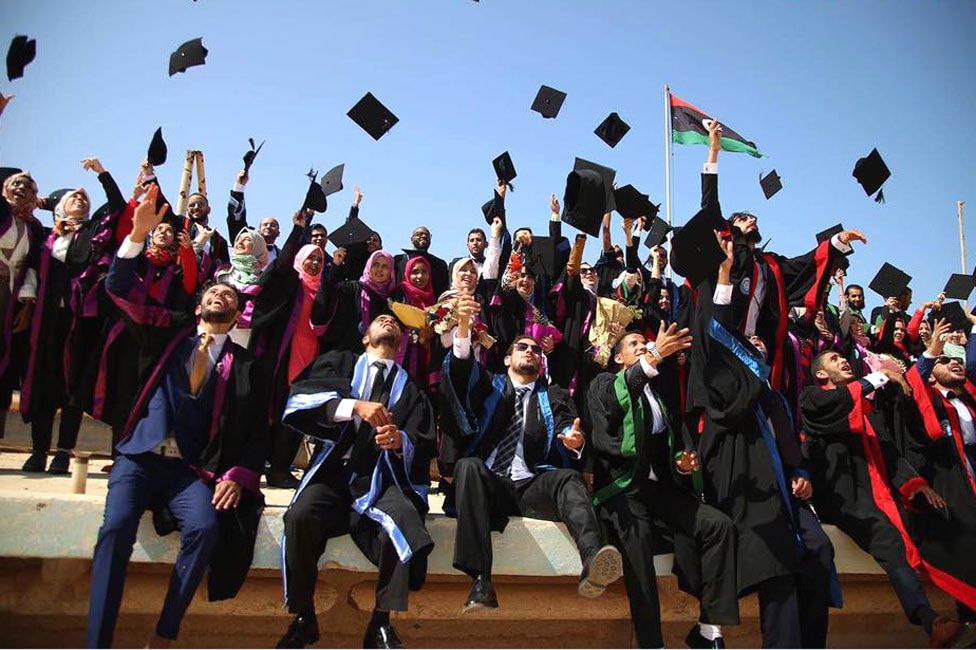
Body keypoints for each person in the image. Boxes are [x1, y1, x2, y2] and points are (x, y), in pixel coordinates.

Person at [87, 185, 267, 648]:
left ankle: (166, 633)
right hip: (140, 457)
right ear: (199, 303)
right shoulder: (167, 333)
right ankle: (97, 640)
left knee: (205, 529)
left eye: (229, 294)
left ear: (238, 311)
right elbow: (118, 289)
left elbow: (253, 433)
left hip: (188, 470)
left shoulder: (245, 368)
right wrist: (135, 237)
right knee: (115, 529)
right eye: (214, 291)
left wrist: (238, 475)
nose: (220, 296)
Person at [441, 293, 623, 612]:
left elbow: (569, 425)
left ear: (542, 362)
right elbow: (459, 373)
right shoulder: (490, 385)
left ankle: (593, 560)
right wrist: (463, 329)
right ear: (507, 359)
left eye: (536, 349)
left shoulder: (553, 395)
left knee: (567, 478)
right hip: (490, 486)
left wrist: (574, 440)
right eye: (522, 347)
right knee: (468, 465)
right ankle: (481, 580)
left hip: (530, 487)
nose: (530, 351)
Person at [276, 314, 436, 649]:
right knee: (300, 515)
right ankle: (303, 616)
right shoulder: (341, 364)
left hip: (381, 477)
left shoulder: (411, 389)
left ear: (403, 342)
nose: (389, 323)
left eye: (395, 323)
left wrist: (399, 442)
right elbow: (301, 402)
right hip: (336, 471)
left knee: (404, 519)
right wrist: (353, 407)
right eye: (381, 320)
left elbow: (421, 443)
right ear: (365, 337)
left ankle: (381, 621)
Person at [801, 348, 975, 647]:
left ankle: (969, 606)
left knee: (947, 525)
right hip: (845, 499)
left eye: (843, 357)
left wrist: (916, 484)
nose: (843, 360)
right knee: (888, 539)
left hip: (881, 495)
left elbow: (890, 455)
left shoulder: (867, 409)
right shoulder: (813, 398)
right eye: (833, 359)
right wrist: (881, 376)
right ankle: (929, 620)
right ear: (820, 374)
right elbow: (835, 405)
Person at [587, 325, 740, 649]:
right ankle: (652, 644)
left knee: (719, 526)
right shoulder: (603, 384)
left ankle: (709, 628)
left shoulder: (658, 396)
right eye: (634, 344)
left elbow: (668, 449)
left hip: (658, 491)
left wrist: (682, 464)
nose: (643, 346)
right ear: (618, 357)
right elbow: (616, 402)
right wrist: (655, 355)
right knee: (638, 551)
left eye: (646, 342)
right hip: (622, 490)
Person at [20, 159, 126, 474]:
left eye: (84, 198)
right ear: (60, 207)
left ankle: (64, 451)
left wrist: (101, 173)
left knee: (72, 388)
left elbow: (119, 205)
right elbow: (29, 271)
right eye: (73, 198)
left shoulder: (95, 231)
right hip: (46, 320)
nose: (80, 199)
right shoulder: (44, 237)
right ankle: (39, 450)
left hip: (82, 322)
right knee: (43, 383)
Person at [902, 318, 976, 630]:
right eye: (945, 361)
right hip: (950, 485)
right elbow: (911, 384)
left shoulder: (970, 398)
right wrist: (930, 352)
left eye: (956, 360)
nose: (955, 364)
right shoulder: (927, 399)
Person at [0, 170, 44, 440]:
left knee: (5, 364)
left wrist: (27, 307)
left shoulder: (34, 227)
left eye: (27, 187)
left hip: (10, 297)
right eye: (15, 184)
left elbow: (32, 268)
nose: (20, 189)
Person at [394, 225, 449, 297]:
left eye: (426, 235)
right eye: (418, 234)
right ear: (411, 239)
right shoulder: (398, 260)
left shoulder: (440, 264)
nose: (423, 236)